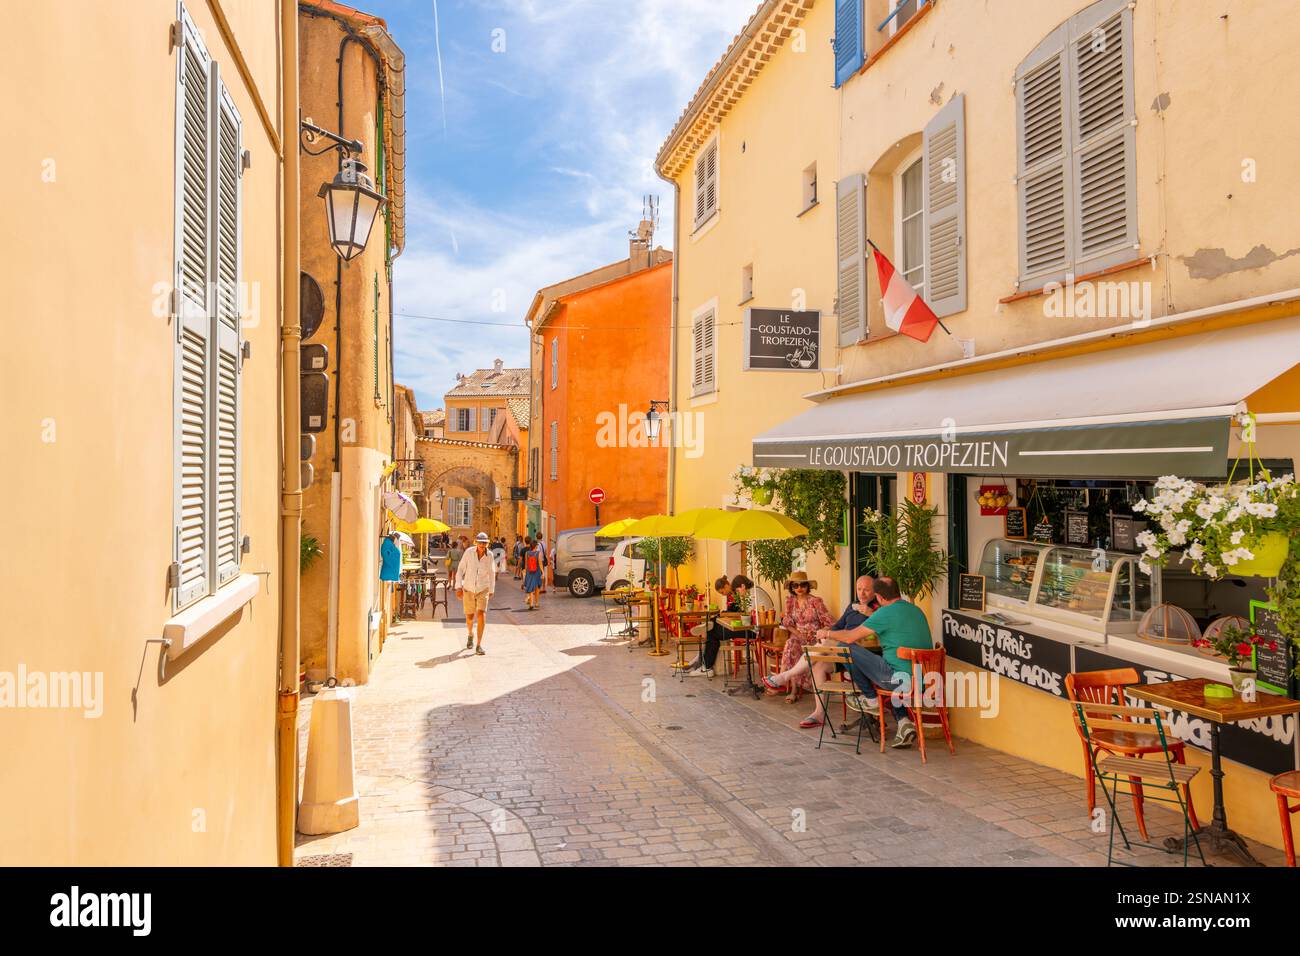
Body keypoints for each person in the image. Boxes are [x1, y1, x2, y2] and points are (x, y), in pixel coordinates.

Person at [823, 576, 930, 749]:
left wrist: (826, 634)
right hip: (925, 680)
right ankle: (903, 722)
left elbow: (850, 637)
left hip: (898, 681)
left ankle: (870, 698)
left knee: (846, 647)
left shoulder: (884, 612)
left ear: (879, 597)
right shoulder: (916, 610)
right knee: (879, 664)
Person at [763, 575, 878, 728]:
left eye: (866, 590)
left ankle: (785, 676)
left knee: (826, 640)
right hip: (843, 651)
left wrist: (871, 614)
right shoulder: (852, 606)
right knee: (818, 664)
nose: (862, 593)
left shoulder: (879, 608)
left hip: (863, 653)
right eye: (859, 589)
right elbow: (837, 627)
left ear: (875, 592)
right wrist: (826, 631)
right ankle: (819, 713)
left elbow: (881, 632)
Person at [771, 571, 832, 703]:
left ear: (807, 586)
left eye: (802, 585)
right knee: (791, 644)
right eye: (795, 585)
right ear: (792, 587)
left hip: (814, 638)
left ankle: (781, 680)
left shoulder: (815, 601)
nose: (799, 588)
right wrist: (798, 634)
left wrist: (818, 633)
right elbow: (787, 622)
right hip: (798, 636)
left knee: (792, 644)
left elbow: (829, 623)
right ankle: (792, 689)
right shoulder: (790, 601)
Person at [682, 576, 737, 677]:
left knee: (711, 631)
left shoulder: (737, 596)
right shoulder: (731, 596)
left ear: (727, 586)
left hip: (736, 626)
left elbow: (735, 613)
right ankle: (704, 664)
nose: (723, 594)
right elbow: (731, 612)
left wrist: (722, 614)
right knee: (711, 630)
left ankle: (704, 664)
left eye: (722, 592)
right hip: (731, 623)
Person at [455, 532, 497, 655]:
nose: (482, 545)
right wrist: (458, 587)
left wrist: (491, 590)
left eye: (484, 543)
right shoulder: (468, 553)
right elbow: (460, 569)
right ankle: (470, 634)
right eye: (480, 542)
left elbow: (492, 573)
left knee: (481, 614)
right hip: (468, 588)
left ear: (487, 544)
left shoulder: (489, 555)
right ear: (476, 543)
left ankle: (478, 645)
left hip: (483, 589)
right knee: (469, 617)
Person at [379, 532, 402, 622]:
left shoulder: (390, 544)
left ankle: (385, 612)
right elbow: (387, 555)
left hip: (389, 572)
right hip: (387, 572)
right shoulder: (387, 544)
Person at [522, 536, 544, 610]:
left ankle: (531, 604)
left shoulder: (527, 553)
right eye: (537, 545)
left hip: (529, 572)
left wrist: (525, 572)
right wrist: (543, 572)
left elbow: (526, 565)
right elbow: (540, 563)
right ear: (535, 546)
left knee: (530, 588)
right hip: (537, 571)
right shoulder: (538, 553)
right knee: (537, 588)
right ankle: (536, 603)